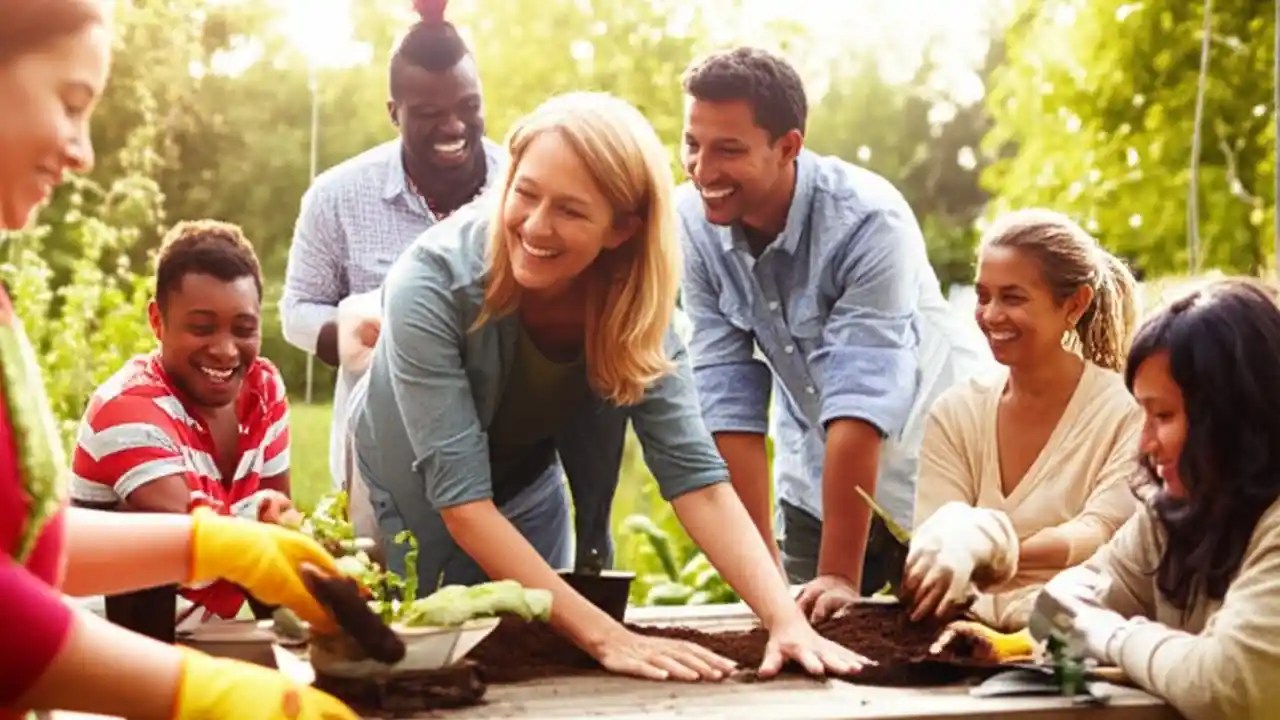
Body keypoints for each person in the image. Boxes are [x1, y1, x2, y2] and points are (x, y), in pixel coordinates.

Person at [352, 90, 868, 682]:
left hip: (522, 486)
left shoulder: (634, 306)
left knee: (539, 663)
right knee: (426, 664)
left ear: (622, 228)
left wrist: (784, 618)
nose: (536, 227)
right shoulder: (431, 281)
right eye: (525, 192)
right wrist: (608, 636)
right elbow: (463, 505)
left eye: (571, 211)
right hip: (407, 488)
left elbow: (697, 481)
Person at [0, 2, 355, 718]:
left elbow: (29, 545)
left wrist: (217, 545)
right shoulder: (132, 405)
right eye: (71, 105)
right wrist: (204, 696)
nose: (83, 151)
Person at [676, 46, 992, 619]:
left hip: (933, 475)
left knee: (950, 652)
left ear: (788, 147)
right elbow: (727, 401)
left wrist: (839, 576)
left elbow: (860, 396)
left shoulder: (868, 220)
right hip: (815, 474)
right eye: (692, 145)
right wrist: (764, 579)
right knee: (800, 637)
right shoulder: (693, 227)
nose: (702, 170)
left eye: (728, 150)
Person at [281, 0, 505, 512]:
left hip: (505, 466)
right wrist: (353, 332)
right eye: (429, 115)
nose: (454, 127)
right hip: (379, 470)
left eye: (468, 107)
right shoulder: (336, 196)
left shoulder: (521, 188)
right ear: (394, 113)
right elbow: (296, 311)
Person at [1028, 278, 1280, 720]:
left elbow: (1231, 686)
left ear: (1232, 414)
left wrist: (1111, 635)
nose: (1145, 442)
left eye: (1162, 415)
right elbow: (1052, 610)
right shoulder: (1176, 513)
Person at [900, 209, 1143, 633]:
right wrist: (951, 549)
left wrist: (987, 549)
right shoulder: (957, 413)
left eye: (1012, 298)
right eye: (983, 296)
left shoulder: (1126, 411)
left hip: (1074, 635)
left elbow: (1101, 532)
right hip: (960, 635)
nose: (991, 315)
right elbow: (934, 542)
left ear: (1074, 304)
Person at [70, 219, 297, 628]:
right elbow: (204, 545)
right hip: (101, 644)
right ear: (157, 321)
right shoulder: (125, 409)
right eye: (201, 328)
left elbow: (278, 527)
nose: (226, 350)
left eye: (244, 329)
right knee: (145, 530)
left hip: (199, 631)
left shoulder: (264, 389)